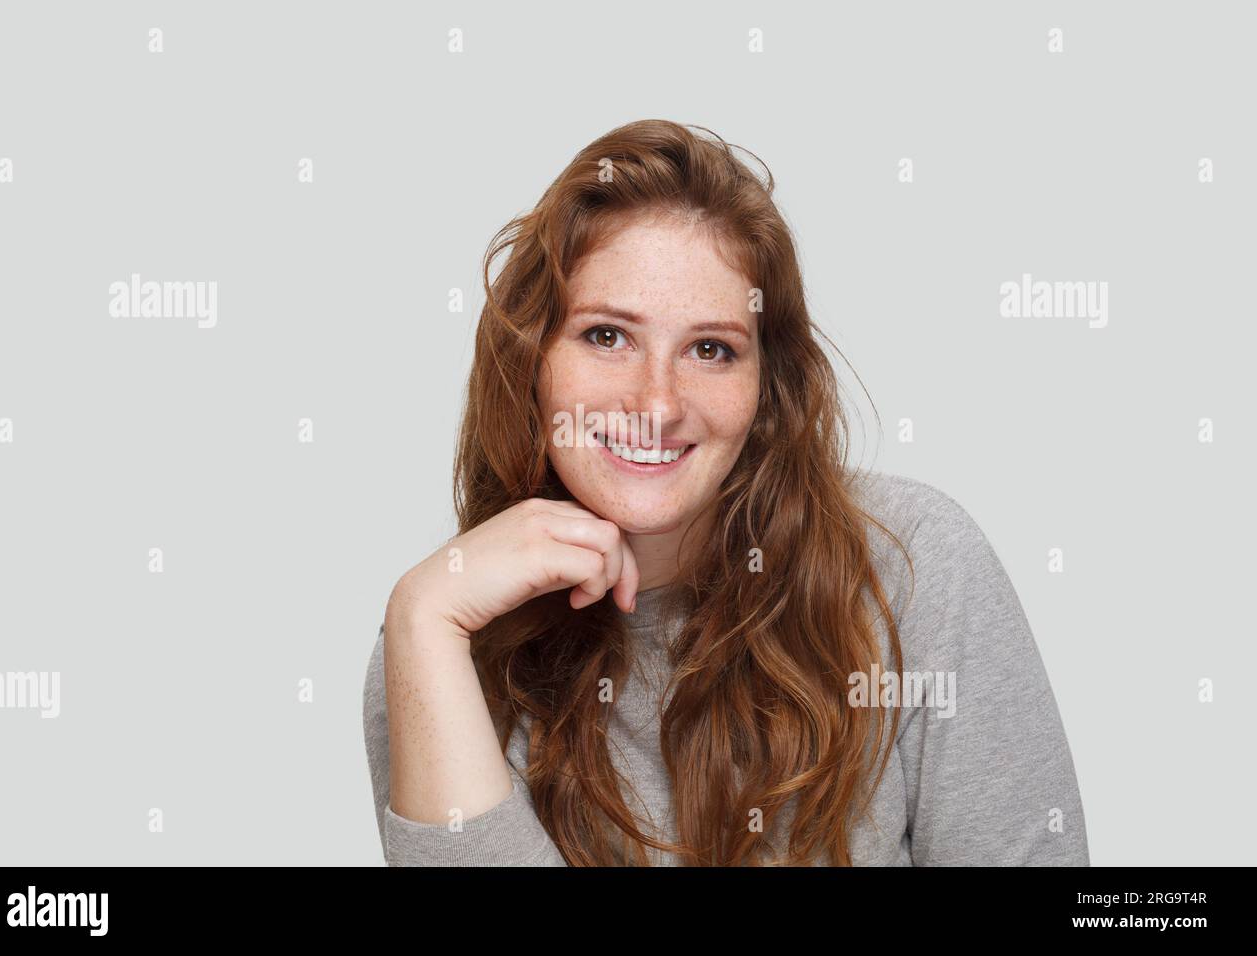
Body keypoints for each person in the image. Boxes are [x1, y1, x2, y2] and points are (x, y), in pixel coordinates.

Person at [362, 119, 1089, 866]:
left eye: (711, 349)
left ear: (765, 389)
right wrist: (420, 620)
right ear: (531, 360)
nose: (657, 403)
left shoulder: (914, 568)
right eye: (607, 335)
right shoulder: (440, 642)